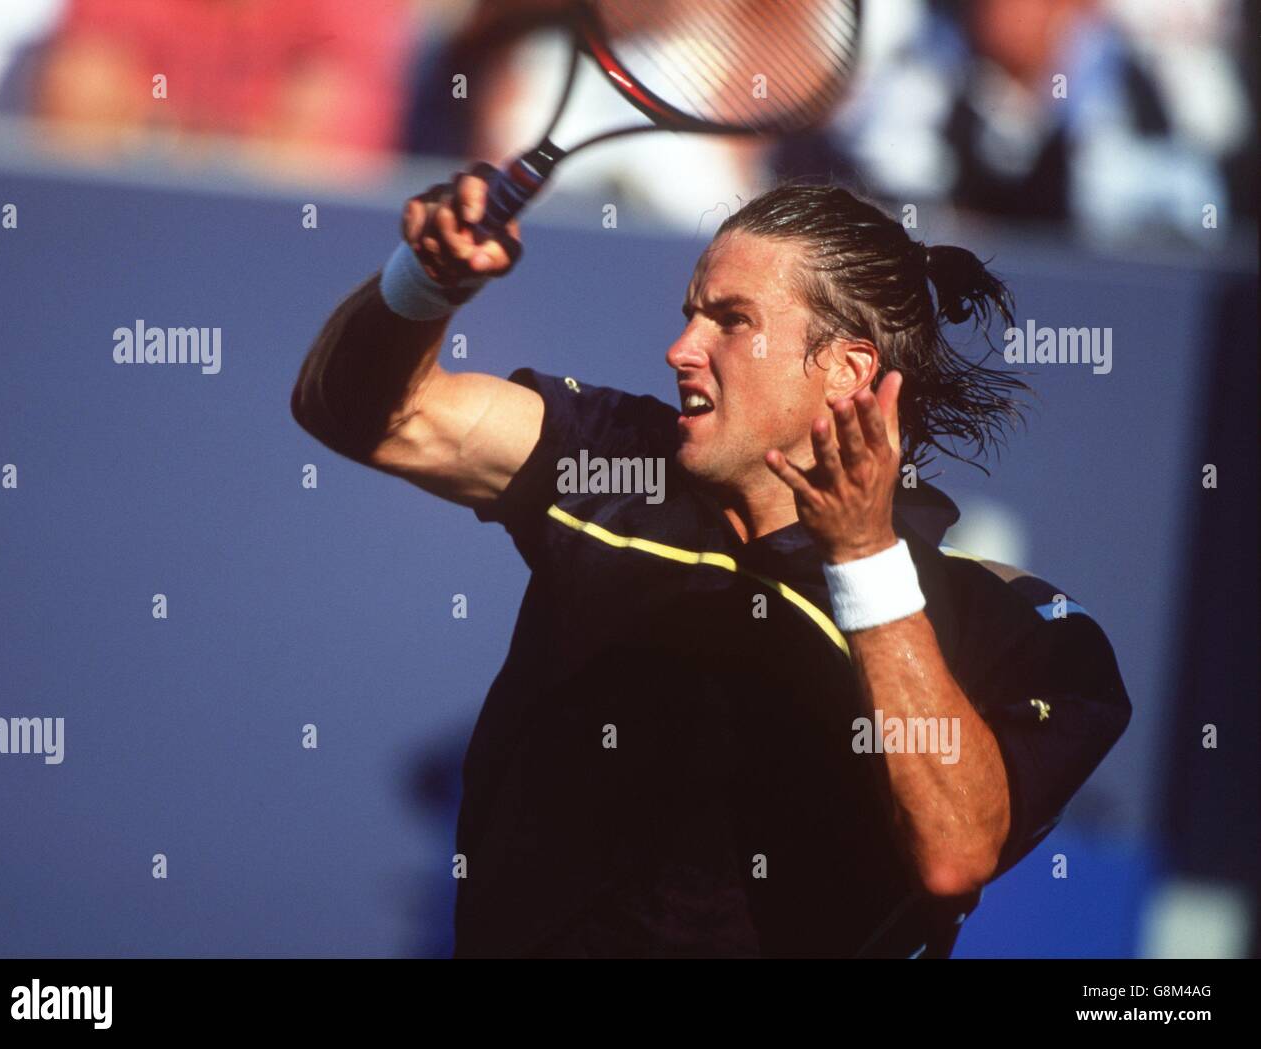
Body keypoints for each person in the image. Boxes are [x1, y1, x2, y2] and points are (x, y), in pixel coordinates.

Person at [290, 171, 1131, 958]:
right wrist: (421, 281)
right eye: (692, 313)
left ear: (846, 369)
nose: (681, 348)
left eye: (731, 320)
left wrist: (863, 557)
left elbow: (954, 855)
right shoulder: (612, 461)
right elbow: (361, 413)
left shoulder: (1010, 626)